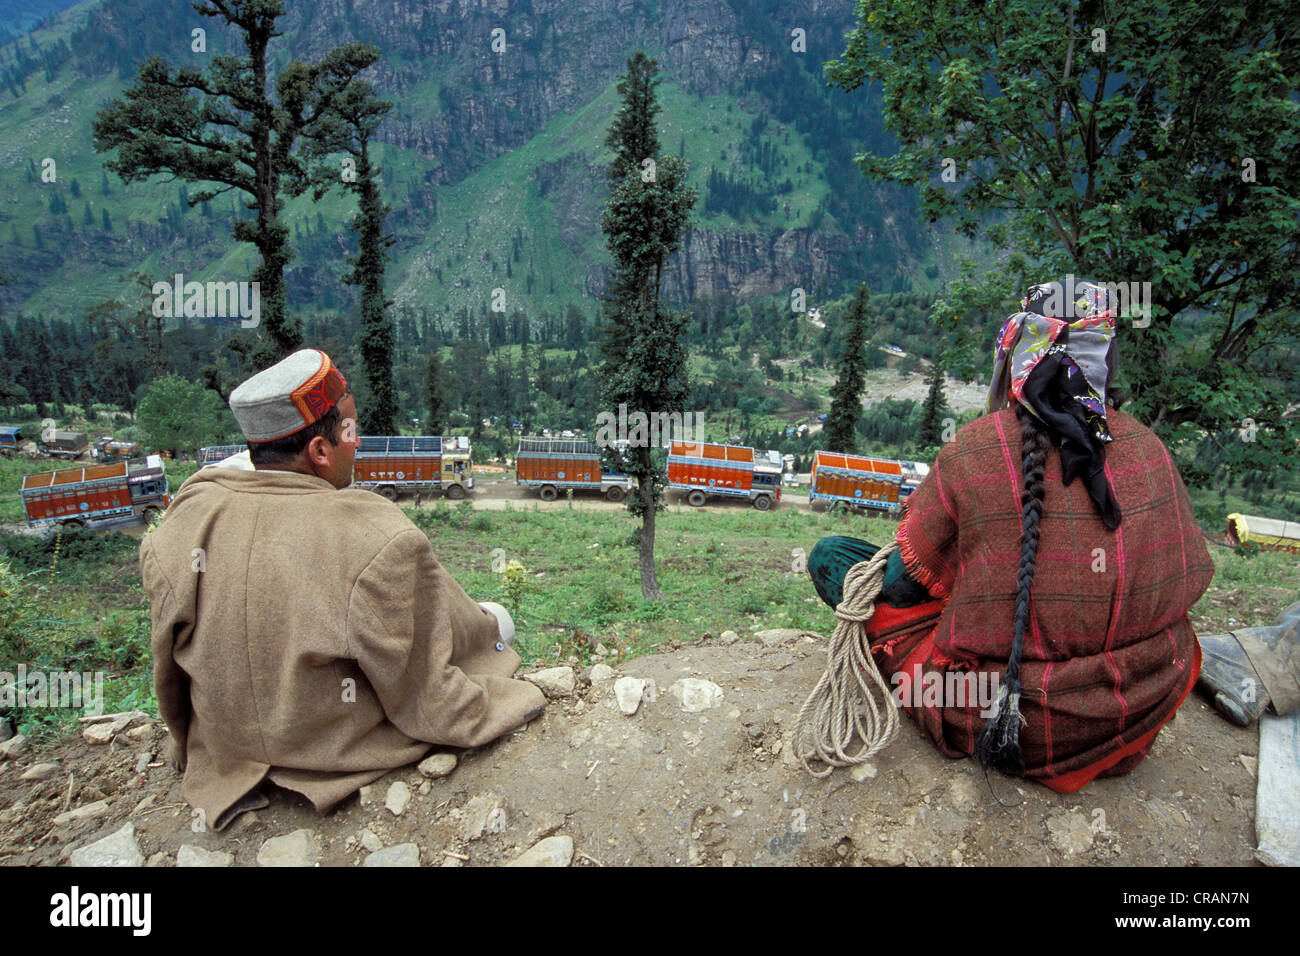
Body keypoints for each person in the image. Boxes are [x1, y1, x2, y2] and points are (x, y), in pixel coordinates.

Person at [807, 279, 1214, 791]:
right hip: (1141, 703)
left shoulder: (976, 450)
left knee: (834, 557)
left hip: (1009, 720)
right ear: (1104, 356)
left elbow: (905, 584)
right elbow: (1185, 580)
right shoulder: (1150, 447)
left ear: (1018, 348)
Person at [140, 349, 544, 831]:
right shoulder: (372, 532)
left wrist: (188, 742)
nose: (358, 443)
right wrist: (515, 699)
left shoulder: (182, 520)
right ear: (320, 452)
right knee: (494, 621)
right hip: (329, 744)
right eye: (351, 430)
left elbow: (168, 674)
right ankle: (490, 625)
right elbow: (427, 696)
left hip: (227, 750)